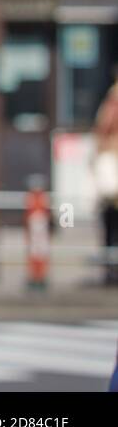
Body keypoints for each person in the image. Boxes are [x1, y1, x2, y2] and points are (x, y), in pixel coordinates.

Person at [91, 72, 118, 286]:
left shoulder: (114, 99)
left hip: (113, 167)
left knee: (111, 222)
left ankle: (111, 269)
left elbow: (104, 129)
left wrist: (97, 154)